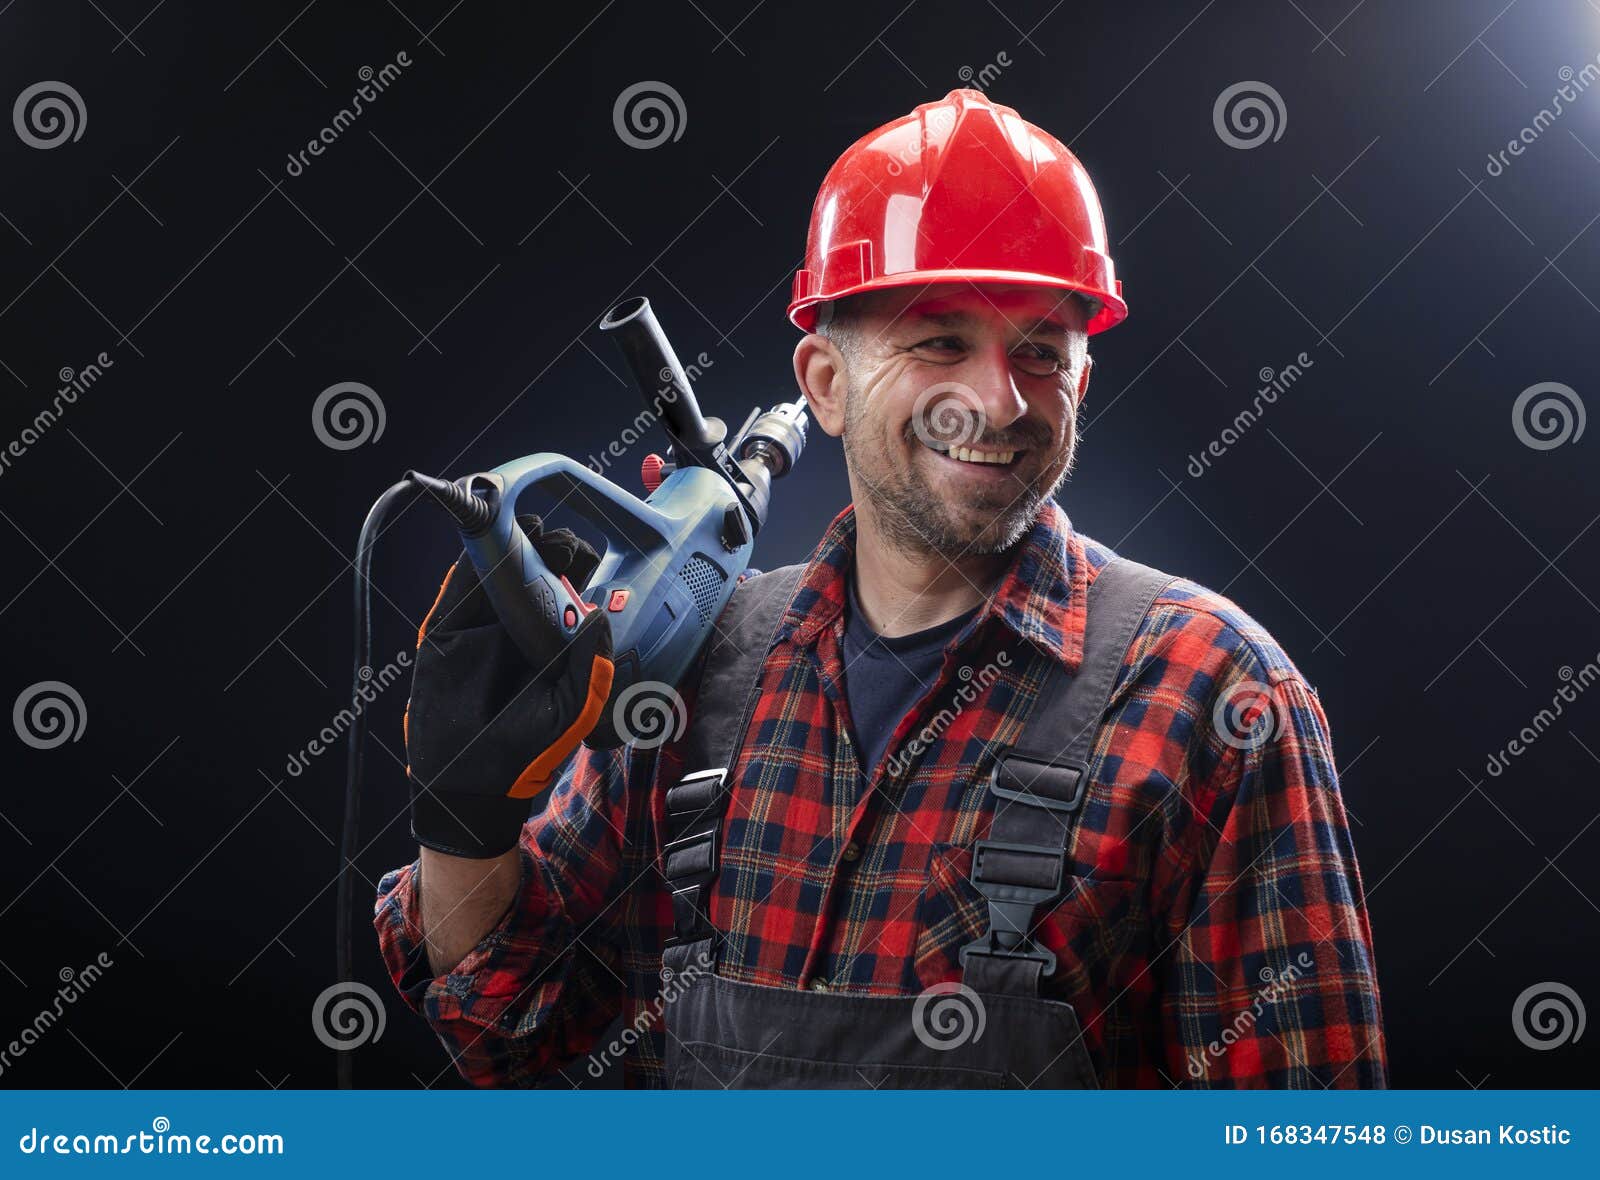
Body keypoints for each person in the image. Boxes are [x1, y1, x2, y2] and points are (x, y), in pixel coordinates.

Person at [376, 88, 1386, 1088]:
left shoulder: (1212, 696)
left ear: (1080, 381)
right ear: (822, 383)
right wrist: (464, 823)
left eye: (1040, 351)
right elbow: (510, 1030)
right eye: (939, 340)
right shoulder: (688, 676)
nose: (995, 399)